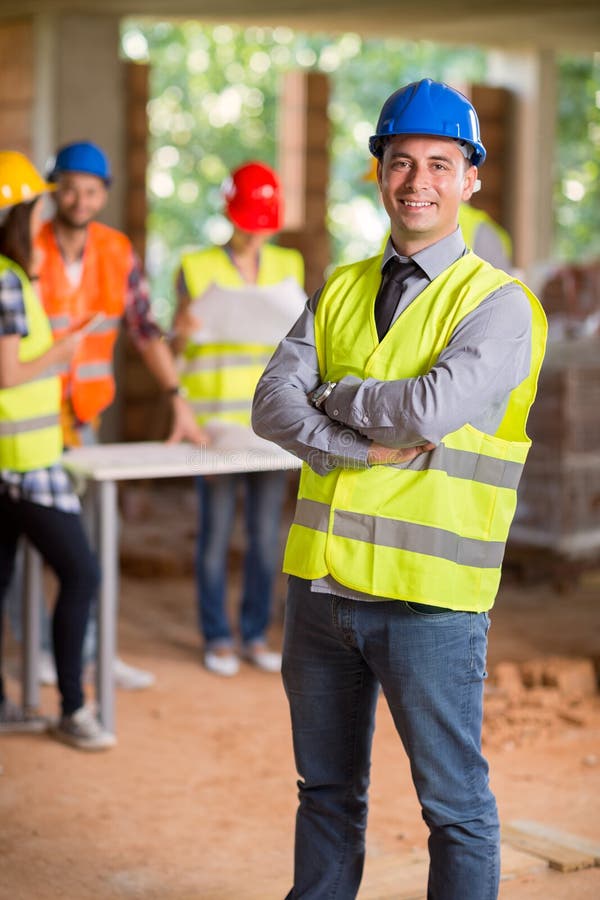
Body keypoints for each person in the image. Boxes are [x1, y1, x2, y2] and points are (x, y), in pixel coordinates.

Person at [252, 79, 547, 899]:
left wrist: (333, 393)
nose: (419, 180)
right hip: (320, 592)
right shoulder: (341, 286)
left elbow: (428, 409)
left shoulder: (499, 304)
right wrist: (357, 448)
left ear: (470, 178)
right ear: (379, 172)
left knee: (452, 808)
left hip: (429, 602)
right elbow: (269, 403)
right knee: (325, 795)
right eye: (402, 161)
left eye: (440, 165)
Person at [9, 140, 206, 691]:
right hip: (27, 420)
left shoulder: (117, 252)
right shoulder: (26, 246)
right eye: (68, 186)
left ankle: (95, 650)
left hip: (84, 417)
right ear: (53, 192)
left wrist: (176, 398)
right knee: (32, 540)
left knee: (95, 538)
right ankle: (41, 653)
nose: (79, 197)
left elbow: (144, 331)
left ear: (104, 196)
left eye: (91, 189)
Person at [0, 151, 114, 750]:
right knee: (82, 573)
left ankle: (2, 703)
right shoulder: (7, 277)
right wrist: (62, 352)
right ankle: (73, 708)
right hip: (24, 465)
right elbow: (10, 374)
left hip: (10, 463)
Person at [173, 161, 305, 677]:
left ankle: (253, 634)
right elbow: (176, 344)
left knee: (266, 537)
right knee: (216, 535)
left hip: (270, 426)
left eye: (264, 221)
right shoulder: (197, 266)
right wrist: (179, 331)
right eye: (250, 219)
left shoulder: (288, 266)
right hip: (215, 427)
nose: (257, 231)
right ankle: (217, 637)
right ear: (231, 215)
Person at [363, 155, 513, 269]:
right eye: (402, 166)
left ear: (467, 182)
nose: (415, 184)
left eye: (438, 167)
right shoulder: (395, 233)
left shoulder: (482, 233)